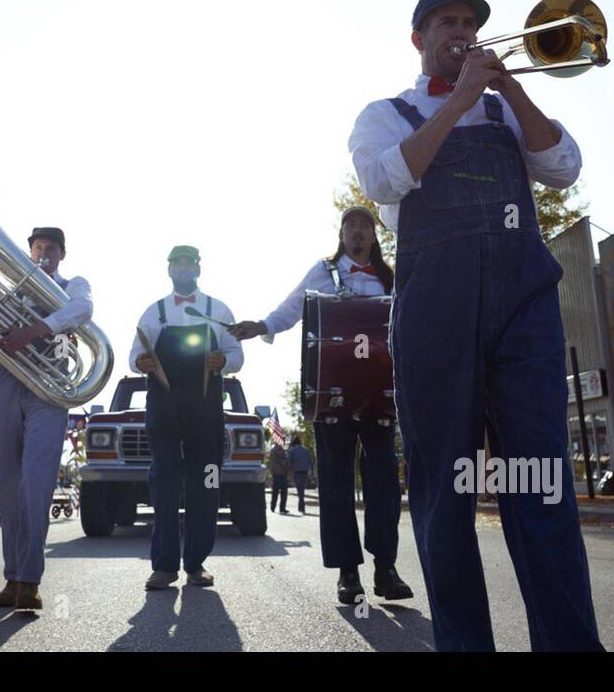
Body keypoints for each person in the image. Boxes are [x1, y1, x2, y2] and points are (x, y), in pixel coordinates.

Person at [348, 0, 602, 651]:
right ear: (419, 39)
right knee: (443, 492)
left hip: (523, 306)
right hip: (436, 308)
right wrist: (459, 100)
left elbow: (563, 168)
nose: (462, 32)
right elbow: (382, 183)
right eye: (447, 23)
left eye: (470, 23)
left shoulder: (505, 109)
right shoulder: (386, 113)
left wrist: (511, 92)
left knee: (541, 481)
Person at [230, 206, 413, 604]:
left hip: (381, 393)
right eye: (351, 226)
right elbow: (293, 307)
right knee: (335, 481)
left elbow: (411, 323)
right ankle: (348, 573)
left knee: (383, 480)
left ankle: (386, 568)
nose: (358, 232)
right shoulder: (324, 272)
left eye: (365, 226)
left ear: (374, 235)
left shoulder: (391, 278)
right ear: (342, 234)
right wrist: (262, 325)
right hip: (332, 391)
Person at [0, 227, 93, 612]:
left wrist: (33, 330)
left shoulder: (73, 285)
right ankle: (12, 576)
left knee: (37, 483)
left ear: (62, 254)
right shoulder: (12, 284)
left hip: (48, 382)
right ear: (29, 252)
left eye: (51, 249)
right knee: (8, 486)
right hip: (4, 379)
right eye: (37, 248)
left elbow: (83, 311)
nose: (44, 253)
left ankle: (29, 579)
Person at [129, 246, 243, 590]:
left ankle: (196, 563)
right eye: (176, 263)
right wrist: (141, 363)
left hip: (206, 409)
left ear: (197, 268)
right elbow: (135, 354)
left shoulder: (218, 309)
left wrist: (223, 362)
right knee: (163, 483)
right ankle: (164, 566)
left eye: (188, 262)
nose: (182, 268)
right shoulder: (154, 312)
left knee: (206, 482)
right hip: (163, 407)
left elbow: (237, 354)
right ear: (169, 270)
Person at [287, 436, 312, 514]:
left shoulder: (292, 451)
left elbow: (289, 463)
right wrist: (311, 473)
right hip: (304, 472)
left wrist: (289, 473)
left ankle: (302, 507)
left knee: (300, 491)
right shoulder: (306, 450)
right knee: (302, 490)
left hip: (297, 472)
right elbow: (311, 462)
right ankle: (301, 507)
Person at [267, 440, 290, 514]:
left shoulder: (272, 451)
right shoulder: (279, 450)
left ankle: (273, 507)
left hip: (275, 473)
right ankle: (282, 508)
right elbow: (283, 462)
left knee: (275, 492)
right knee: (283, 493)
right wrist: (286, 468)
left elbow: (270, 462)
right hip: (281, 473)